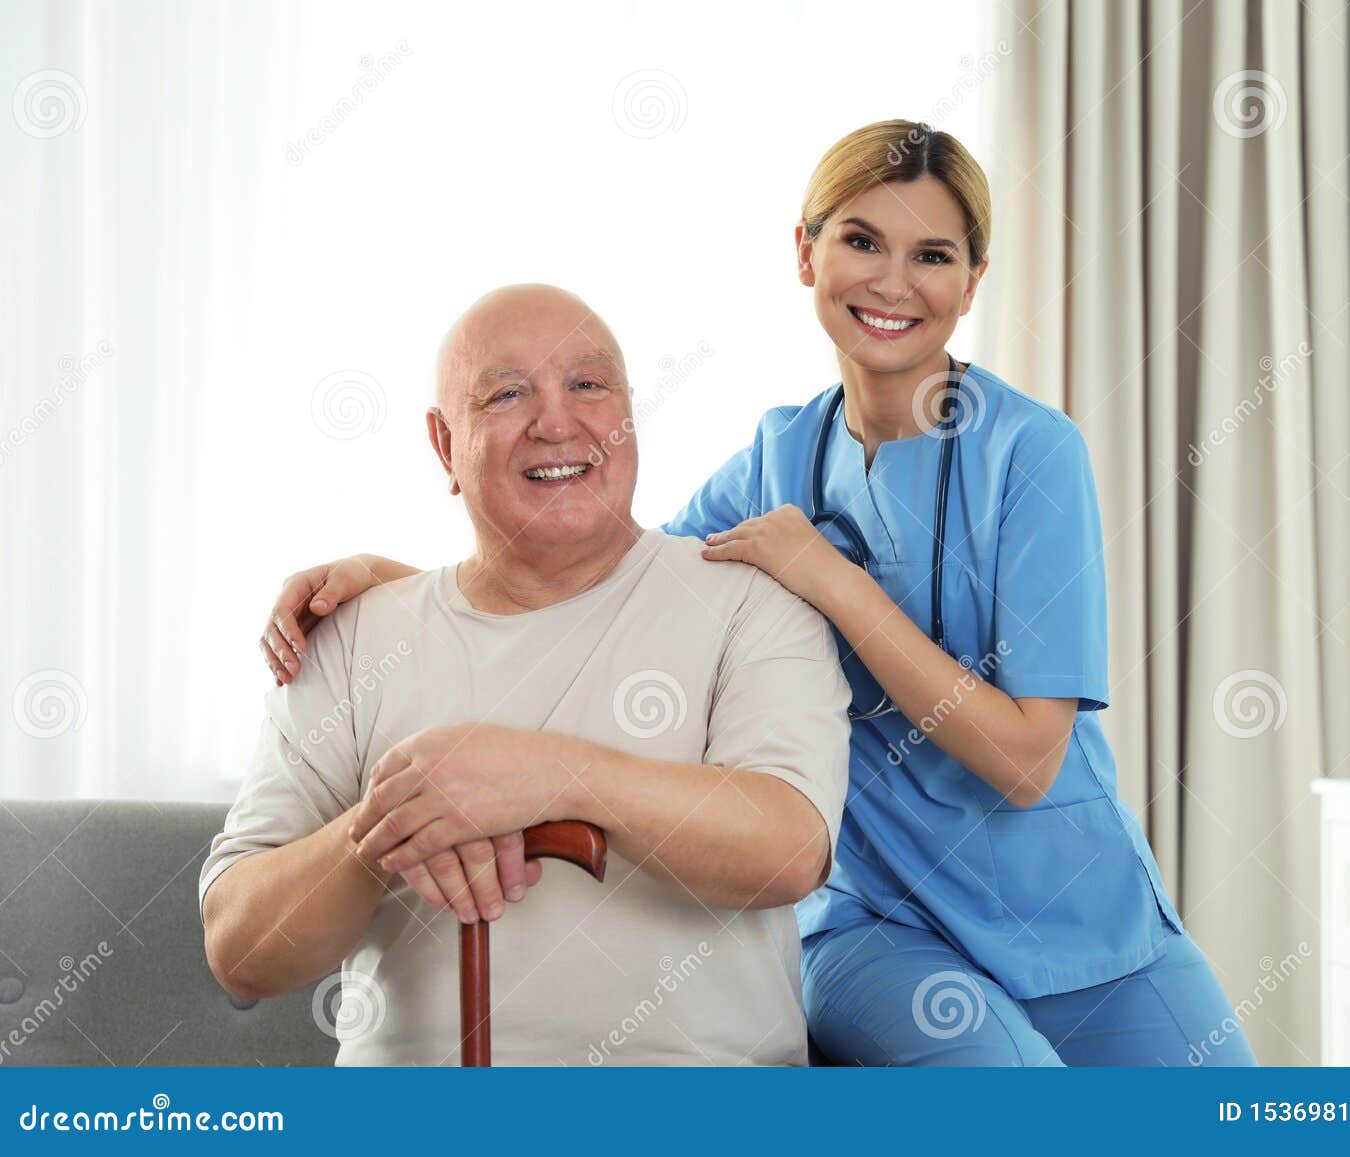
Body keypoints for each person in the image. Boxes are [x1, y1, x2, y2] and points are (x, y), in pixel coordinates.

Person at [258, 121, 1256, 1067]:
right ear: (805, 253)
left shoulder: (1033, 452)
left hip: (1074, 907)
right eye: (860, 239)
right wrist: (406, 584)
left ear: (973, 280)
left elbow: (1028, 759)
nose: (892, 280)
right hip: (881, 921)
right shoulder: (780, 456)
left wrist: (831, 579)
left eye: (934, 254)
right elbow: (605, 565)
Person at [202, 284, 851, 1066]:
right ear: (445, 446)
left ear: (628, 415)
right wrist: (383, 833)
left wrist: (557, 773)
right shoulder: (350, 631)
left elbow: (788, 849)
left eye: (588, 384)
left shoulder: (751, 600)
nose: (555, 422)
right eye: (507, 393)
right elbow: (239, 947)